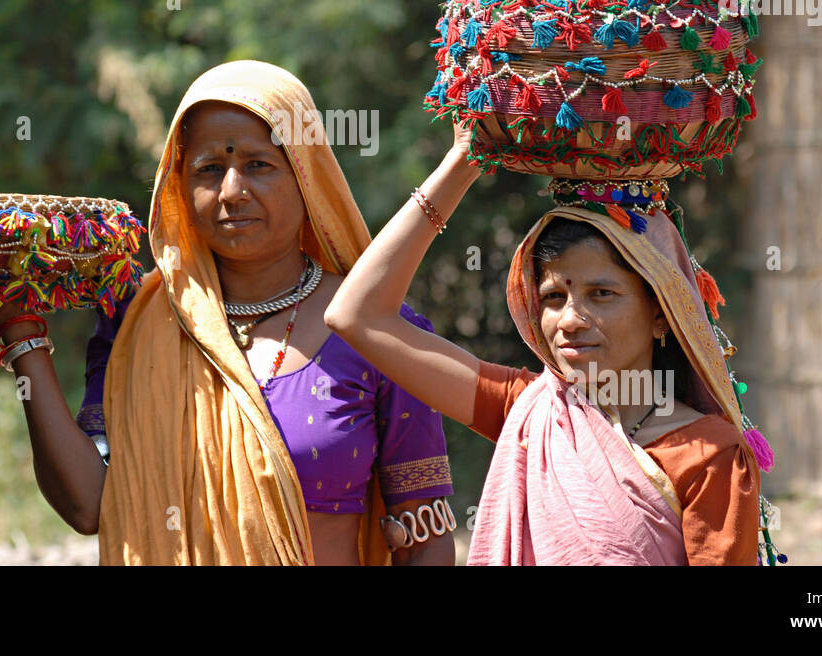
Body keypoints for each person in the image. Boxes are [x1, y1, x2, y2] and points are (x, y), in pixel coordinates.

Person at [0, 61, 455, 565]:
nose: (231, 191)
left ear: (306, 174)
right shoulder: (135, 321)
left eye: (257, 164)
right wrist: (22, 336)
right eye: (209, 169)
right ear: (179, 186)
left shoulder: (375, 330)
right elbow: (90, 505)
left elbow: (424, 540)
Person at [323, 121, 762, 565]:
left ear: (659, 313)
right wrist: (461, 164)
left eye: (601, 294)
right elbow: (356, 317)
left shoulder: (708, 455)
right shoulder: (530, 411)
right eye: (553, 297)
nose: (569, 320)